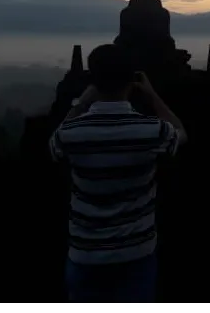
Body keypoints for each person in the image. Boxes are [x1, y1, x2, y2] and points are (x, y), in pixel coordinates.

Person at [49, 44, 188, 302]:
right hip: (135, 253)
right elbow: (181, 133)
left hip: (85, 254)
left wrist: (82, 101)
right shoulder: (152, 131)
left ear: (93, 80)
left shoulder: (71, 134)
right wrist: (152, 96)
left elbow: (56, 141)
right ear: (131, 81)